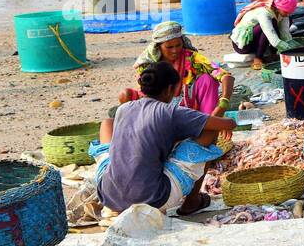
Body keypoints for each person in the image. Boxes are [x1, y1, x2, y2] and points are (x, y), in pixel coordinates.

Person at [94, 62, 234, 217]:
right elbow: (228, 123)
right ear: (169, 89)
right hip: (152, 198)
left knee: (107, 123)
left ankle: (119, 201)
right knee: (210, 131)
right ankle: (192, 201)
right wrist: (224, 101)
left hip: (110, 196)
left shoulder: (123, 108)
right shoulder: (171, 112)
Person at [121, 21, 233, 115]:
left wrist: (223, 103)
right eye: (169, 47)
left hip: (188, 106)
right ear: (158, 47)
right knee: (126, 94)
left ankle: (208, 123)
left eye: (178, 45)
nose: (175, 51)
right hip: (155, 108)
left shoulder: (191, 58)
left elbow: (225, 76)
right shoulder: (148, 65)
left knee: (207, 80)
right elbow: (145, 93)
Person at [231, 0, 299, 68]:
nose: (287, 14)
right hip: (243, 45)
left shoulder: (280, 12)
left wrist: (293, 45)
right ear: (278, 6)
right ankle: (258, 58)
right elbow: (273, 38)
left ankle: (272, 54)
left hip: (257, 41)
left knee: (287, 20)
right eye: (286, 12)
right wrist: (288, 48)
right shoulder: (263, 12)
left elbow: (284, 33)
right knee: (271, 24)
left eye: (289, 12)